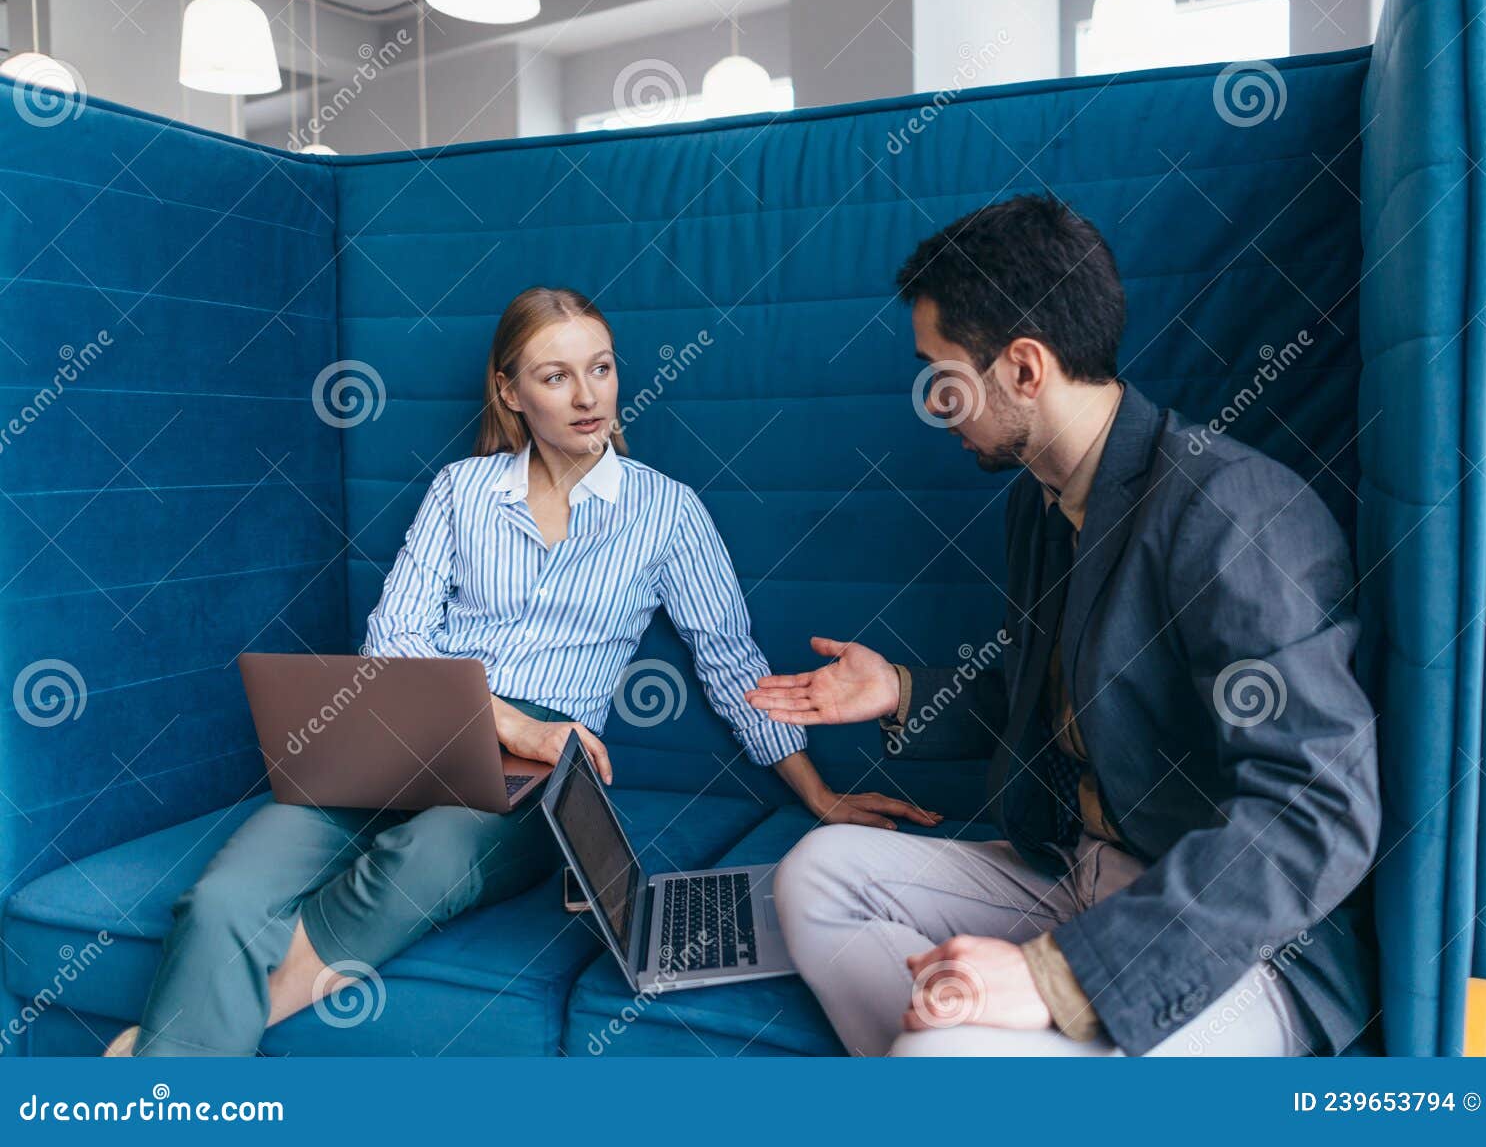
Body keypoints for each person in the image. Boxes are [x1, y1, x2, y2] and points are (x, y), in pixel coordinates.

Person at [107, 286, 935, 1057]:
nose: (588, 396)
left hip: (542, 777)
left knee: (426, 858)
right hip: (403, 725)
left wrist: (819, 795)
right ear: (510, 392)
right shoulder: (461, 490)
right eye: (555, 376)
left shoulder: (668, 512)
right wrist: (507, 721)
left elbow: (729, 662)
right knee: (221, 898)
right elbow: (392, 641)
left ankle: (169, 1056)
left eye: (600, 368)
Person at [747, 195, 1381, 1057]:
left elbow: (1318, 809)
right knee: (819, 874)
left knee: (945, 1051)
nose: (931, 401)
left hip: (1231, 945)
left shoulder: (1230, 511)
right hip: (1080, 873)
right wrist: (899, 690)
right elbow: (1069, 700)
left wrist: (1063, 977)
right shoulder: (1041, 504)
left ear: (1023, 368)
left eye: (940, 374)